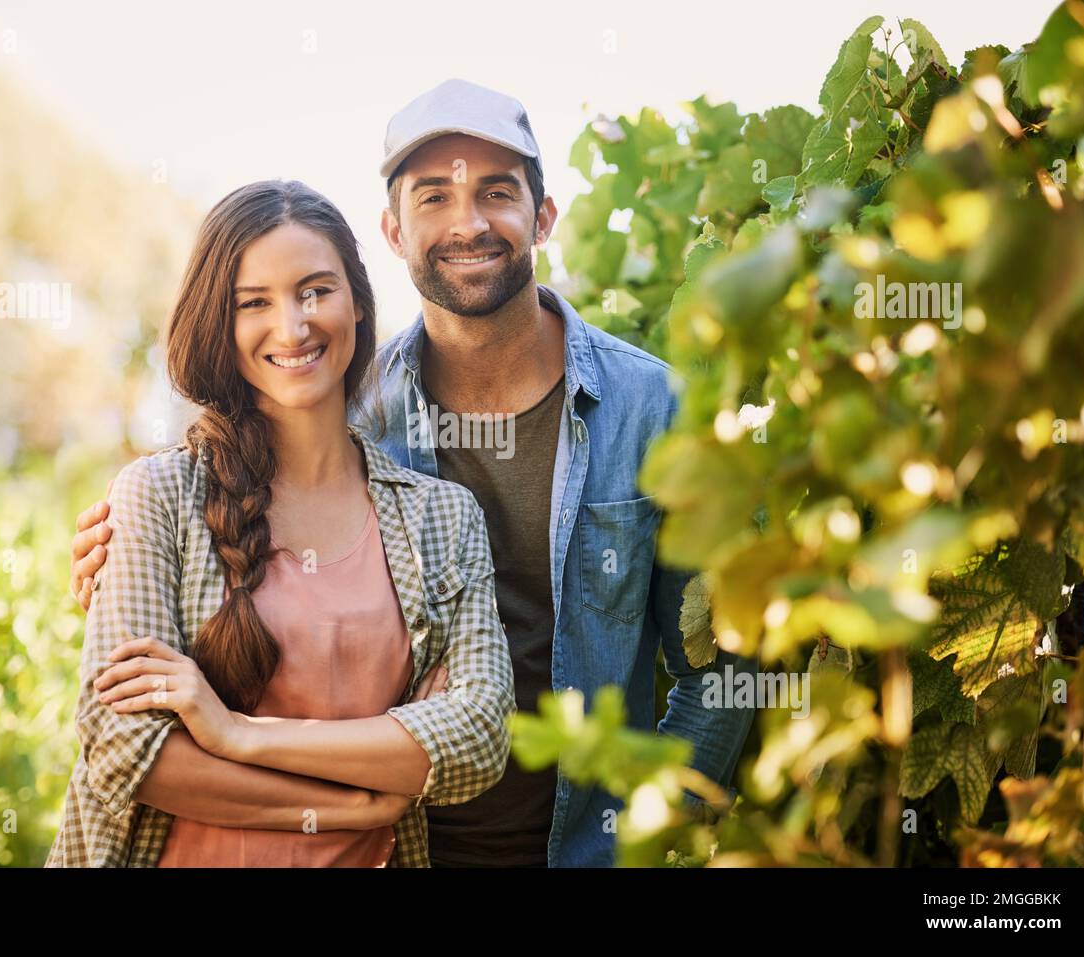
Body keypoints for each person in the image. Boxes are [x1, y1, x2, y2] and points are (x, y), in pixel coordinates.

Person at [71, 79, 758, 867]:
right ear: (394, 232)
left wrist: (647, 835)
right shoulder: (338, 409)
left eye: (497, 192)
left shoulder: (654, 407)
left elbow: (726, 666)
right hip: (399, 848)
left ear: (544, 215)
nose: (467, 222)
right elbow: (140, 708)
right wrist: (127, 552)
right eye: (435, 197)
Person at [47, 179, 514, 867]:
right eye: (254, 303)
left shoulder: (440, 517)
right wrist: (363, 800)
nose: (292, 326)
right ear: (220, 323)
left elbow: (476, 739)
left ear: (357, 302)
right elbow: (126, 750)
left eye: (316, 290)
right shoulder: (158, 497)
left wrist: (236, 734)